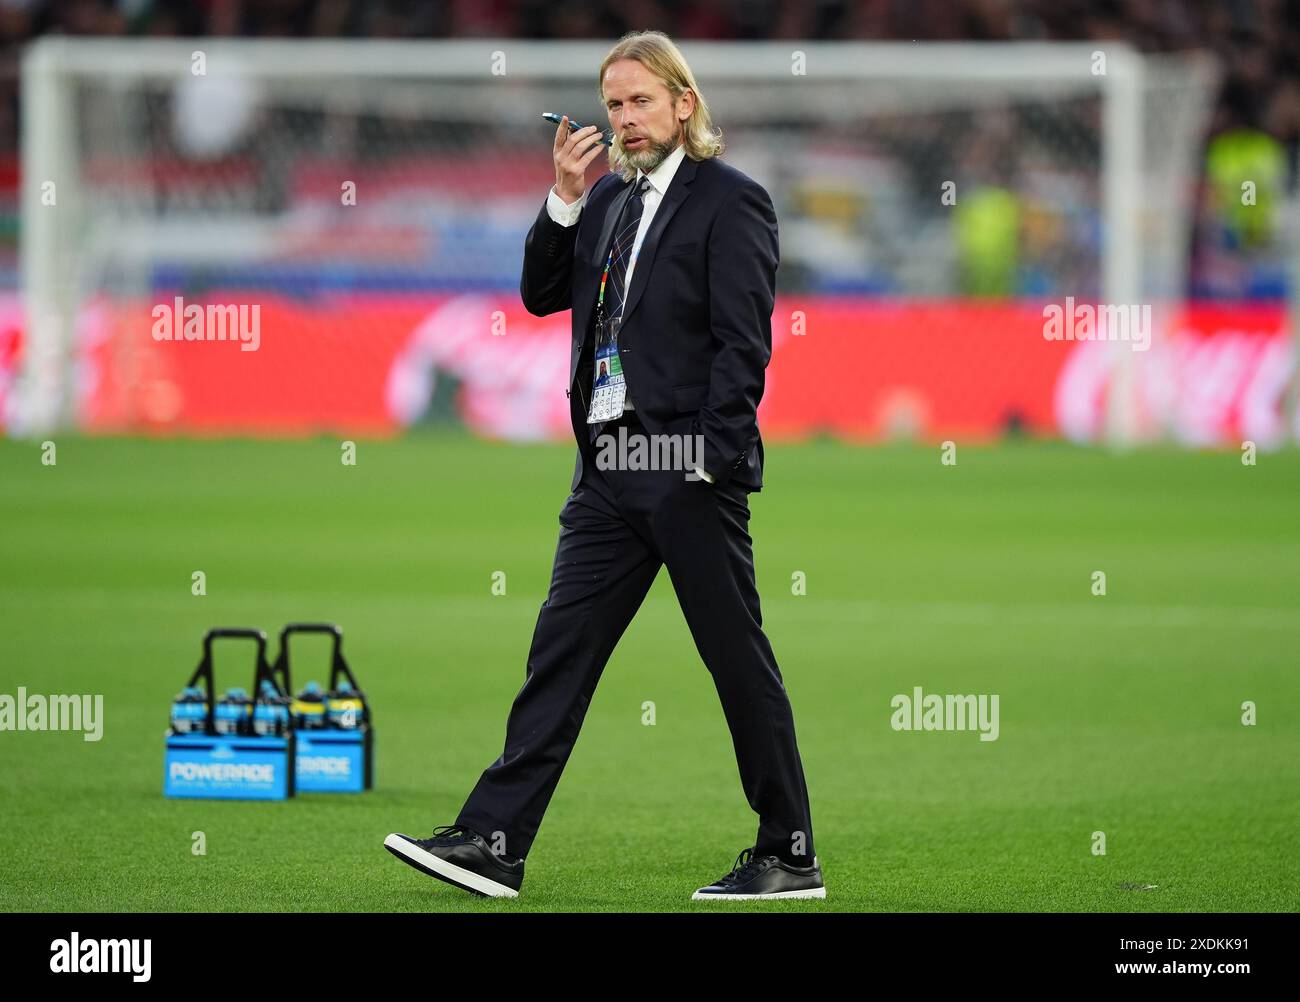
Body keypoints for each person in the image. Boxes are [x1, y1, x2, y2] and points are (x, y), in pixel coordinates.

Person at [385, 30, 822, 901]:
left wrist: (707, 456)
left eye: (640, 101)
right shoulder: (609, 202)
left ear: (683, 105)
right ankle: (493, 839)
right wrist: (561, 196)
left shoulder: (730, 201)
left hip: (684, 469)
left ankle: (790, 851)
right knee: (559, 654)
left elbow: (745, 346)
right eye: (613, 104)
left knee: (736, 662)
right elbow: (542, 296)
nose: (624, 119)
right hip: (608, 469)